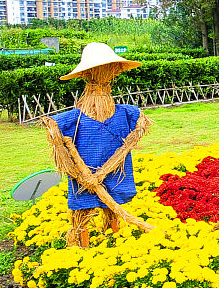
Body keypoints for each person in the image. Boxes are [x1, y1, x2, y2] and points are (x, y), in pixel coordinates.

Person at [41, 42, 154, 247]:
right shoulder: (74, 119)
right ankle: (80, 244)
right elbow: (56, 136)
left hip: (111, 174)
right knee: (82, 214)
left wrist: (101, 174)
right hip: (84, 178)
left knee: (111, 209)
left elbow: (133, 136)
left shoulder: (125, 113)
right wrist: (79, 175)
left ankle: (113, 240)